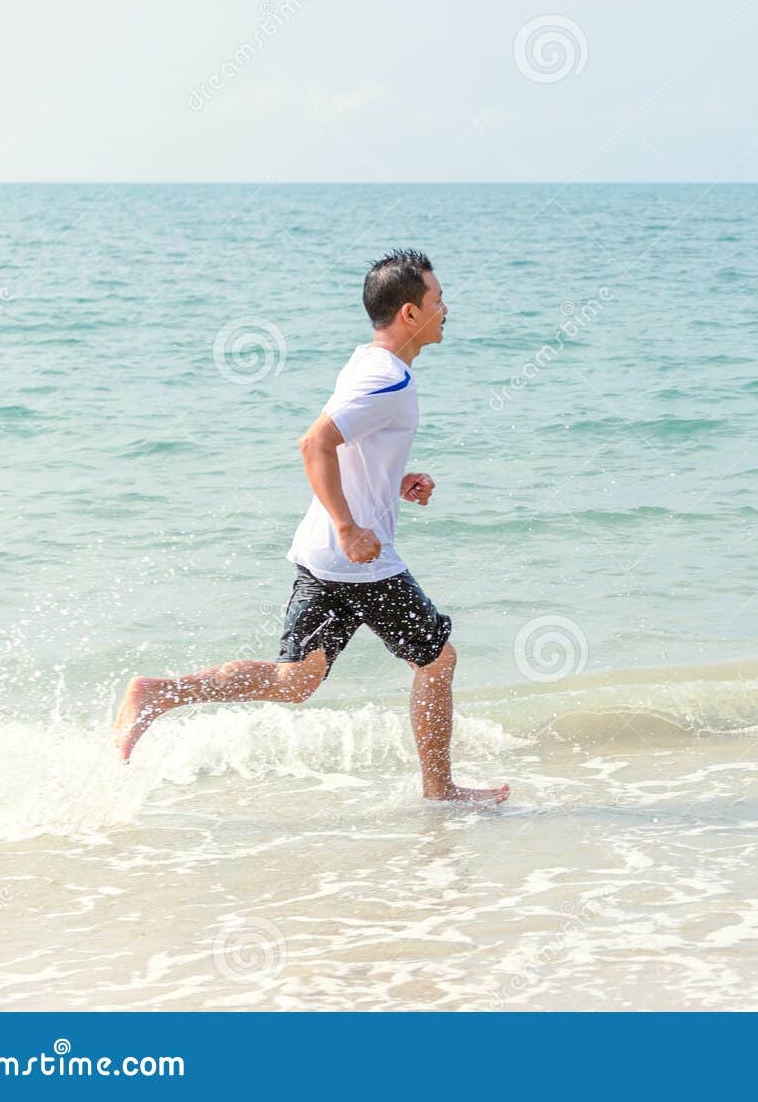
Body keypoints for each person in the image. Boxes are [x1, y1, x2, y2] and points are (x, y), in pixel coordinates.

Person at [111, 250, 509, 805]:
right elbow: (314, 443)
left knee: (295, 681)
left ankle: (156, 693)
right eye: (438, 299)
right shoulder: (387, 378)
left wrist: (392, 479)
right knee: (437, 658)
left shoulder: (369, 364)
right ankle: (439, 791)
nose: (448, 308)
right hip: (356, 560)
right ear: (410, 314)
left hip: (325, 555)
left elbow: (349, 451)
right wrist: (349, 527)